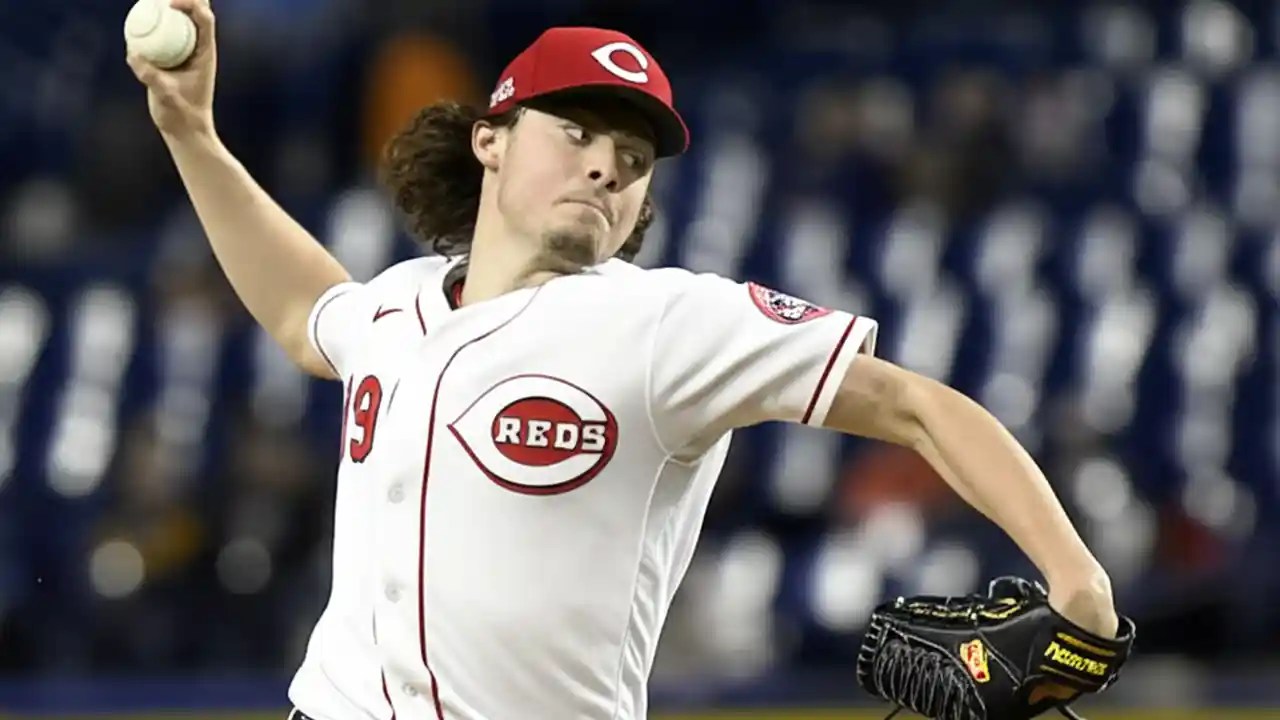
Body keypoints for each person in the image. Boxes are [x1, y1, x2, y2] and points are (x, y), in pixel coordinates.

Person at [127, 2, 1121, 719]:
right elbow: (309, 314)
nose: (606, 165)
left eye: (634, 160)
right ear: (490, 141)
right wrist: (191, 132)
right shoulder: (397, 306)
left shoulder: (666, 324)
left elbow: (913, 406)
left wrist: (1077, 587)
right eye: (576, 133)